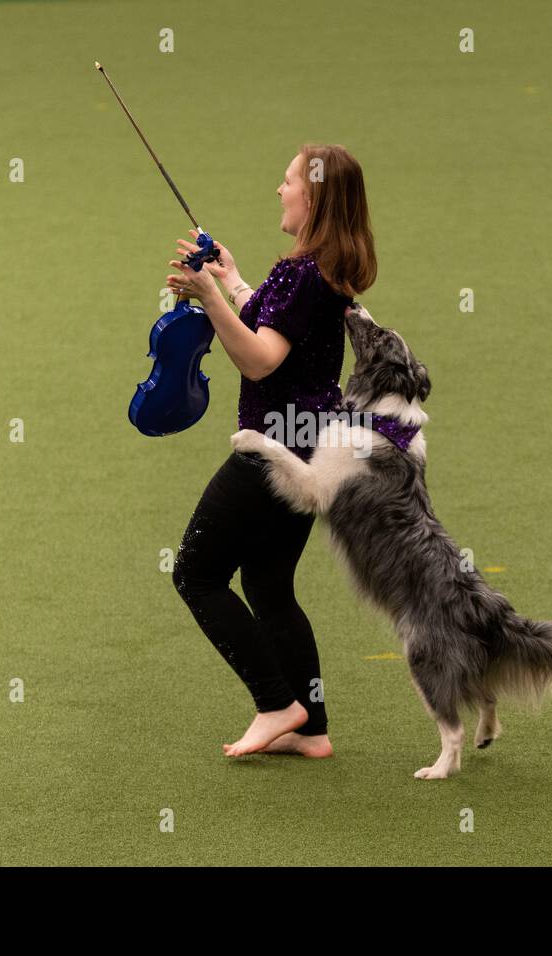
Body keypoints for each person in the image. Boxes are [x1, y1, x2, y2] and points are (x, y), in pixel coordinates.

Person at [167, 144, 377, 758]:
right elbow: (281, 324)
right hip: (312, 447)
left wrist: (208, 297)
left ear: (313, 197)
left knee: (195, 573)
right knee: (268, 585)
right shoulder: (324, 271)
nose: (279, 190)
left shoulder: (300, 272)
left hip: (273, 450)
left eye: (288, 182)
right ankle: (310, 730)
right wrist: (231, 281)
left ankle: (276, 703)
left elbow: (261, 358)